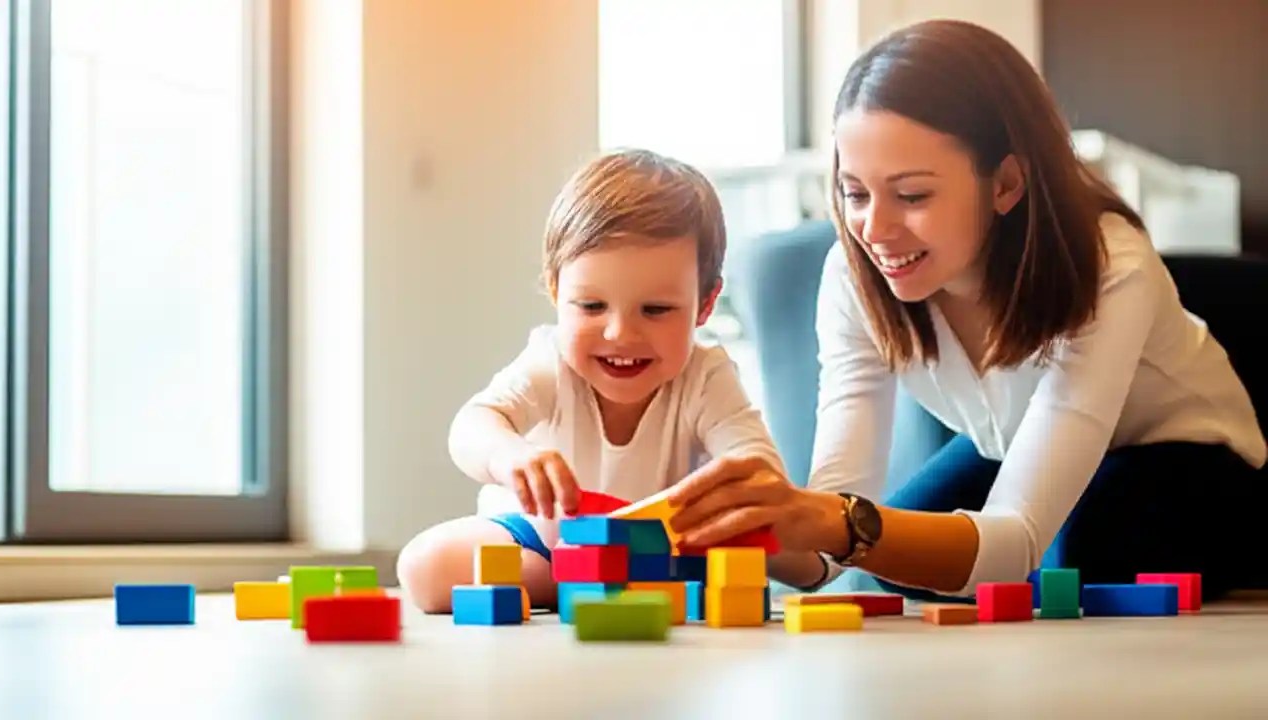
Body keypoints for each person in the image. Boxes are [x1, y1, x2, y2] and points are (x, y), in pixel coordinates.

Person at [665, 19, 1267, 602]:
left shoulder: (1109, 267)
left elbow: (1015, 538)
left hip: (1187, 454)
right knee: (896, 555)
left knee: (1076, 551)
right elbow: (836, 516)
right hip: (1013, 444)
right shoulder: (853, 276)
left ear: (1006, 184)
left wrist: (836, 522)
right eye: (854, 193)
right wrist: (759, 526)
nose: (875, 229)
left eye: (912, 195)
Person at [396, 148, 785, 612]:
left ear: (705, 304)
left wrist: (733, 492)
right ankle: (578, 583)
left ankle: (621, 583)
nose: (620, 333)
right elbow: (473, 424)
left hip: (654, 552)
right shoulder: (550, 360)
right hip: (537, 540)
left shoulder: (706, 376)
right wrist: (509, 454)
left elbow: (759, 468)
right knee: (426, 566)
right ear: (557, 291)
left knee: (741, 553)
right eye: (592, 307)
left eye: (656, 310)